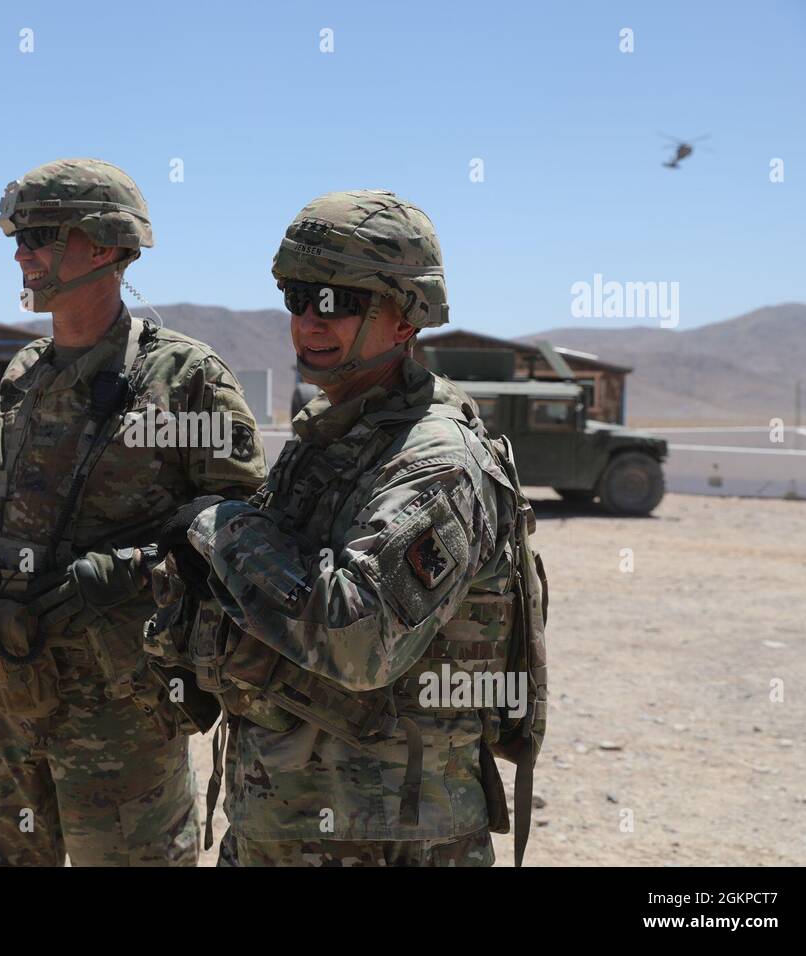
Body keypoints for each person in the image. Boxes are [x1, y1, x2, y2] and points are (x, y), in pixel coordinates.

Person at [147, 189, 548, 867]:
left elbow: (356, 637)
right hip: (282, 823)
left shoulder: (436, 461)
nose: (310, 321)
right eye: (299, 297)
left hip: (390, 840)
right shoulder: (330, 438)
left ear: (406, 316)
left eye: (339, 301)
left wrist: (223, 528)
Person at [0, 158, 266, 866]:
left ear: (103, 246)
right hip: (10, 681)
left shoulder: (184, 379)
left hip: (123, 703)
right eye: (17, 236)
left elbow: (243, 526)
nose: (20, 253)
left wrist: (128, 574)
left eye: (39, 234)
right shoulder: (25, 373)